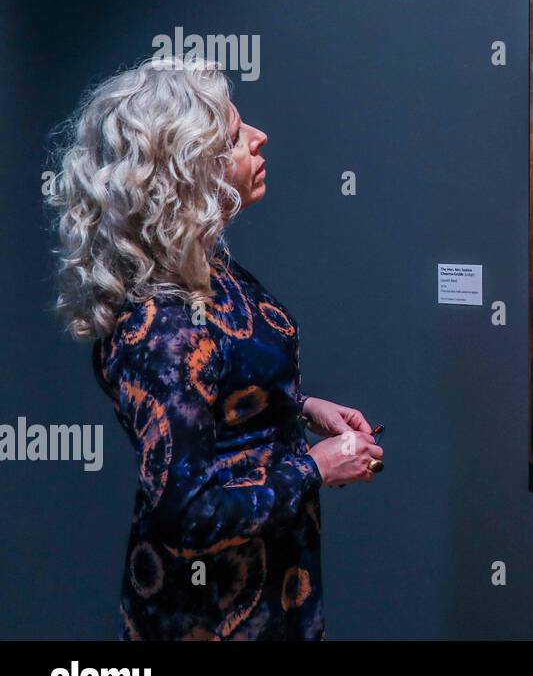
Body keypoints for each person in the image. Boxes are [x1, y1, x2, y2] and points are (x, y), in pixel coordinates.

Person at [47, 56, 383, 640]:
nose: (259, 138)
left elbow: (222, 389)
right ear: (187, 174)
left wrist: (300, 408)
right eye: (234, 136)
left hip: (273, 588)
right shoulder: (160, 326)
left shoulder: (204, 270)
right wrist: (317, 467)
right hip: (209, 614)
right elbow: (187, 515)